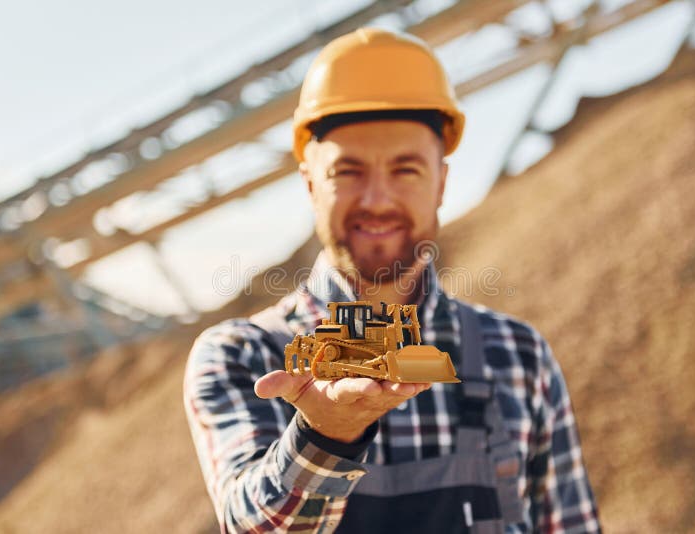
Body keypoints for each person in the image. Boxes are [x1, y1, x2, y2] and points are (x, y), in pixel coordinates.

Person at [184, 28, 600, 533]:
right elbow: (249, 527)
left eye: (405, 170)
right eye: (349, 172)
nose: (377, 200)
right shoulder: (243, 357)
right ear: (311, 183)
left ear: (441, 182)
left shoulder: (517, 356)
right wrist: (324, 436)